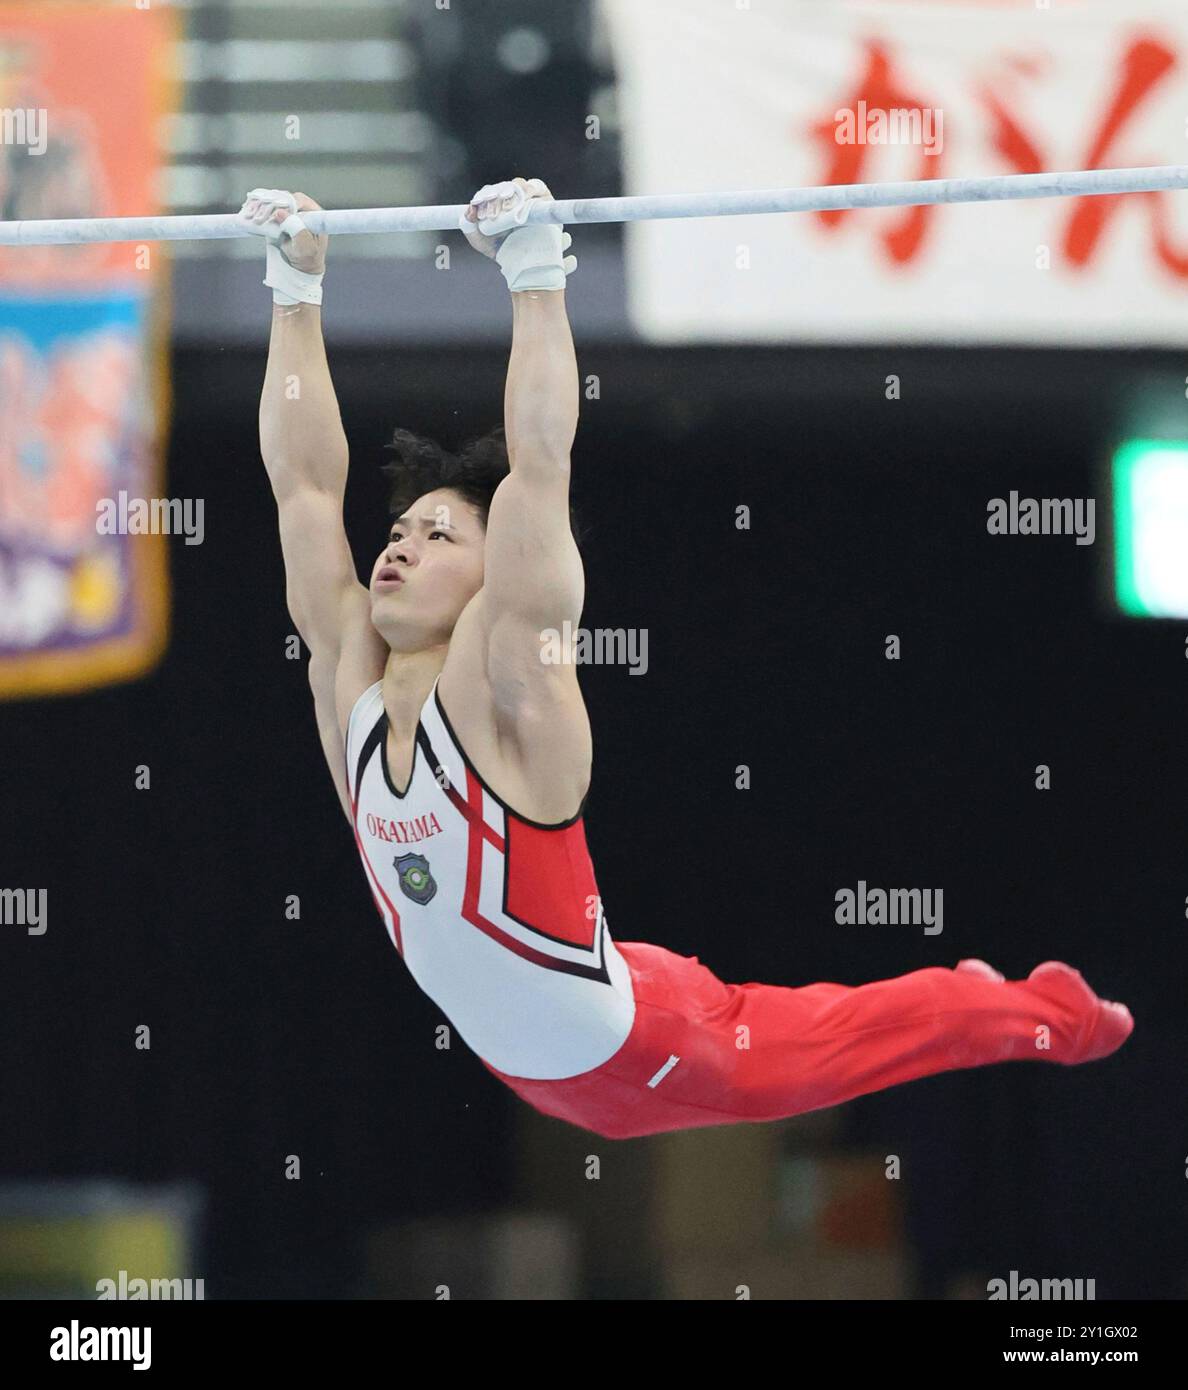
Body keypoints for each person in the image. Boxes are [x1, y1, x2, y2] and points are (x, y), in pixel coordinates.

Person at [240, 177, 1133, 1142]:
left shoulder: (510, 686)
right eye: (402, 530)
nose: (401, 547)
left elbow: (542, 467)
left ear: (497, 569)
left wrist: (535, 274)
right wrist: (294, 290)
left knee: (866, 1034)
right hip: (556, 1057)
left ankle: (1056, 1017)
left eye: (440, 538)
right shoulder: (349, 686)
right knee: (807, 1018)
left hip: (652, 1050)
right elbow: (301, 486)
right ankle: (974, 999)